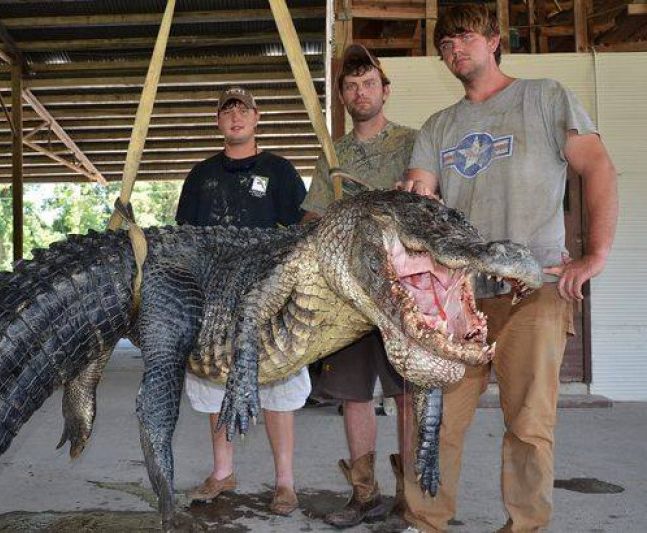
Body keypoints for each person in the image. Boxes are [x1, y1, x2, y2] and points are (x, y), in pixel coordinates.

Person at [398, 4, 618, 532]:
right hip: (458, 300)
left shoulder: (544, 97)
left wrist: (596, 255)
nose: (456, 51)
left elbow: (599, 167)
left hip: (534, 288)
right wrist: (412, 197)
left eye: (466, 38)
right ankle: (426, 521)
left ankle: (525, 526)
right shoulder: (439, 126)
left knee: (528, 423)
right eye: (446, 45)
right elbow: (420, 189)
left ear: (494, 41)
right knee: (437, 424)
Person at [175, 86, 310, 516]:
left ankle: (285, 483)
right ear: (218, 121)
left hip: (269, 300)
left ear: (257, 119)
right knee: (214, 386)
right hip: (214, 301)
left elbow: (300, 236)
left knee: (278, 387)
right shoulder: (200, 177)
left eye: (243, 110)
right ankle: (222, 471)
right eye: (227, 110)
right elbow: (184, 240)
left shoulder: (281, 172)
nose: (235, 117)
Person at [300, 44, 417, 528]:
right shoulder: (334, 155)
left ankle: (410, 498)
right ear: (343, 98)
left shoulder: (414, 144)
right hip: (348, 296)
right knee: (353, 394)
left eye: (368, 82)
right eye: (350, 86)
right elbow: (311, 217)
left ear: (385, 90)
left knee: (408, 393)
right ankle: (362, 495)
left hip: (402, 292)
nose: (359, 91)